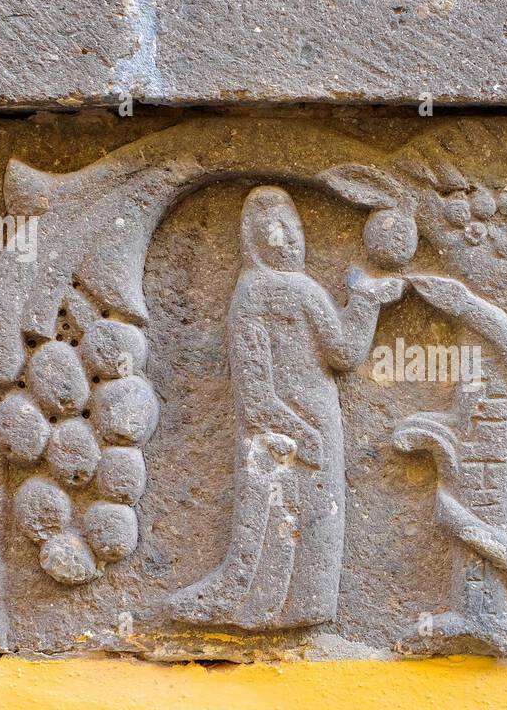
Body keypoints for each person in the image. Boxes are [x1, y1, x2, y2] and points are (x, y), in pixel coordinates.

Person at [170, 186, 403, 630]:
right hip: (276, 435)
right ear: (254, 241)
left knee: (321, 517)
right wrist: (298, 433)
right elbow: (255, 393)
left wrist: (368, 301)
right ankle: (255, 604)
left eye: (292, 228)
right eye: (272, 231)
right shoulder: (250, 299)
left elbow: (346, 352)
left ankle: (309, 607)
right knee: (272, 518)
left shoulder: (306, 290)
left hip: (322, 422)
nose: (287, 239)